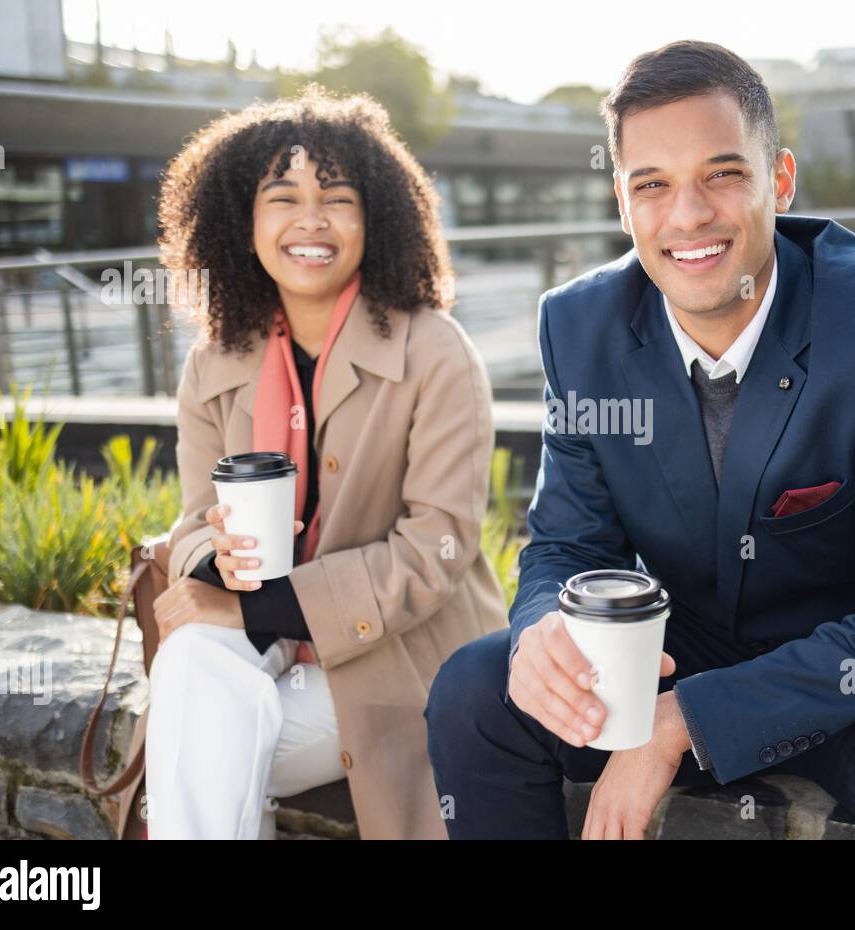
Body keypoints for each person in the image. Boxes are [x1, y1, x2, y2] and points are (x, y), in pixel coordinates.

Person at [425, 41, 855, 840]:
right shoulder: (578, 327)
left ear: (779, 180)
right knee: (477, 691)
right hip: (698, 638)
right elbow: (565, 545)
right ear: (622, 200)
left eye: (722, 174)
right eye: (651, 184)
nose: (686, 216)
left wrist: (683, 719)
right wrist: (547, 628)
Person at [138, 85, 507, 839]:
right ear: (242, 222)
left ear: (377, 219)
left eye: (337, 197)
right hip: (261, 641)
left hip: (406, 653)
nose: (311, 219)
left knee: (205, 739)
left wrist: (256, 606)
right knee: (195, 671)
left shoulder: (435, 352)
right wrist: (216, 561)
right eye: (282, 197)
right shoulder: (215, 359)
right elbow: (190, 523)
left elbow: (435, 551)